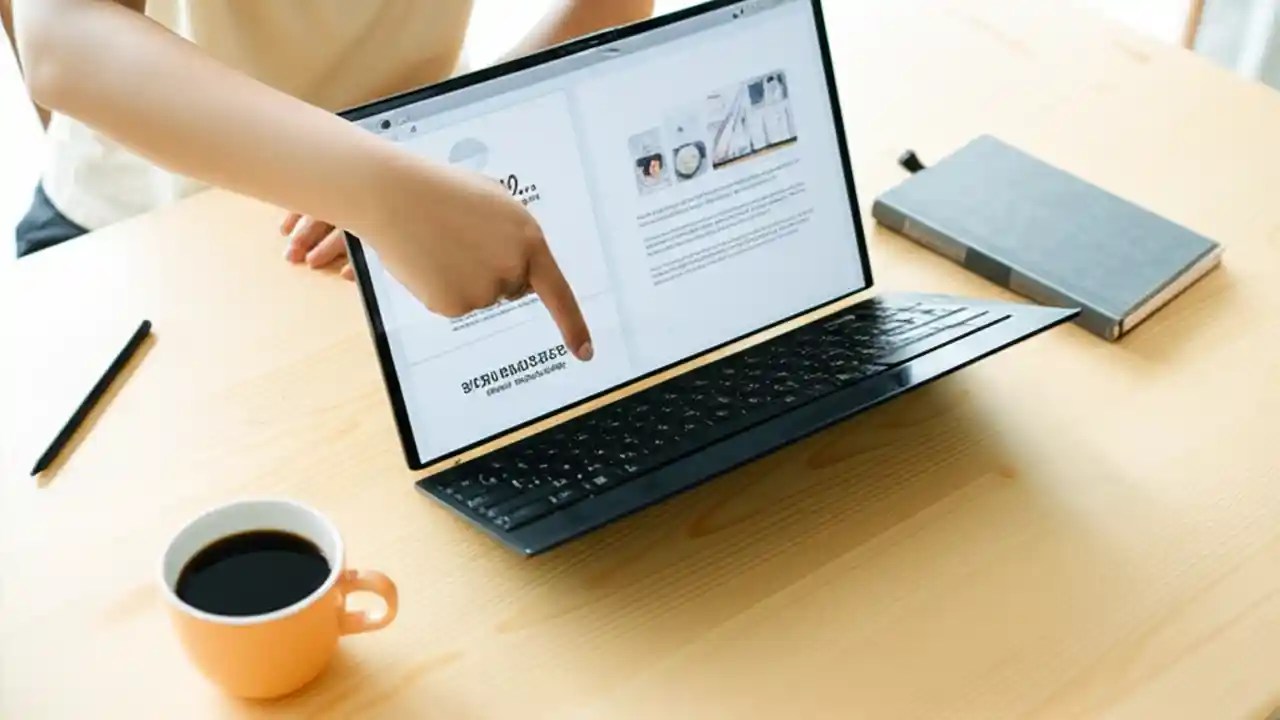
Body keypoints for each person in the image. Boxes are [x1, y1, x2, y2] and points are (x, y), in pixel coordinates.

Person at [9, 0, 656, 360]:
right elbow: (62, 36)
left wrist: (427, 152)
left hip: (401, 220)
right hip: (140, 241)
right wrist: (375, 187)